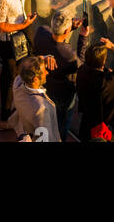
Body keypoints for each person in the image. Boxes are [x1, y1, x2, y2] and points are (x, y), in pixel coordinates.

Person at [0, 0, 44, 131]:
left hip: (18, 33)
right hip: (9, 42)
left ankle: (17, 102)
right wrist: (23, 24)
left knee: (14, 73)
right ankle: (4, 118)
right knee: (8, 77)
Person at [33, 10, 88, 138]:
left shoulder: (41, 32)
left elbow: (53, 38)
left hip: (45, 85)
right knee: (62, 123)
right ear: (66, 32)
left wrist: (71, 28)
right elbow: (80, 65)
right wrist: (83, 38)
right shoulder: (68, 55)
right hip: (63, 94)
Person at [75, 38, 114, 143]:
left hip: (87, 125)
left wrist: (106, 73)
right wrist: (113, 46)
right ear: (104, 61)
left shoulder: (82, 71)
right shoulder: (110, 82)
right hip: (106, 130)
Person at [11, 55, 60, 142]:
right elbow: (45, 139)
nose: (47, 73)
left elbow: (28, 68)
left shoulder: (17, 82)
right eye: (44, 71)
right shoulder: (41, 109)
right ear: (35, 79)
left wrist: (43, 59)